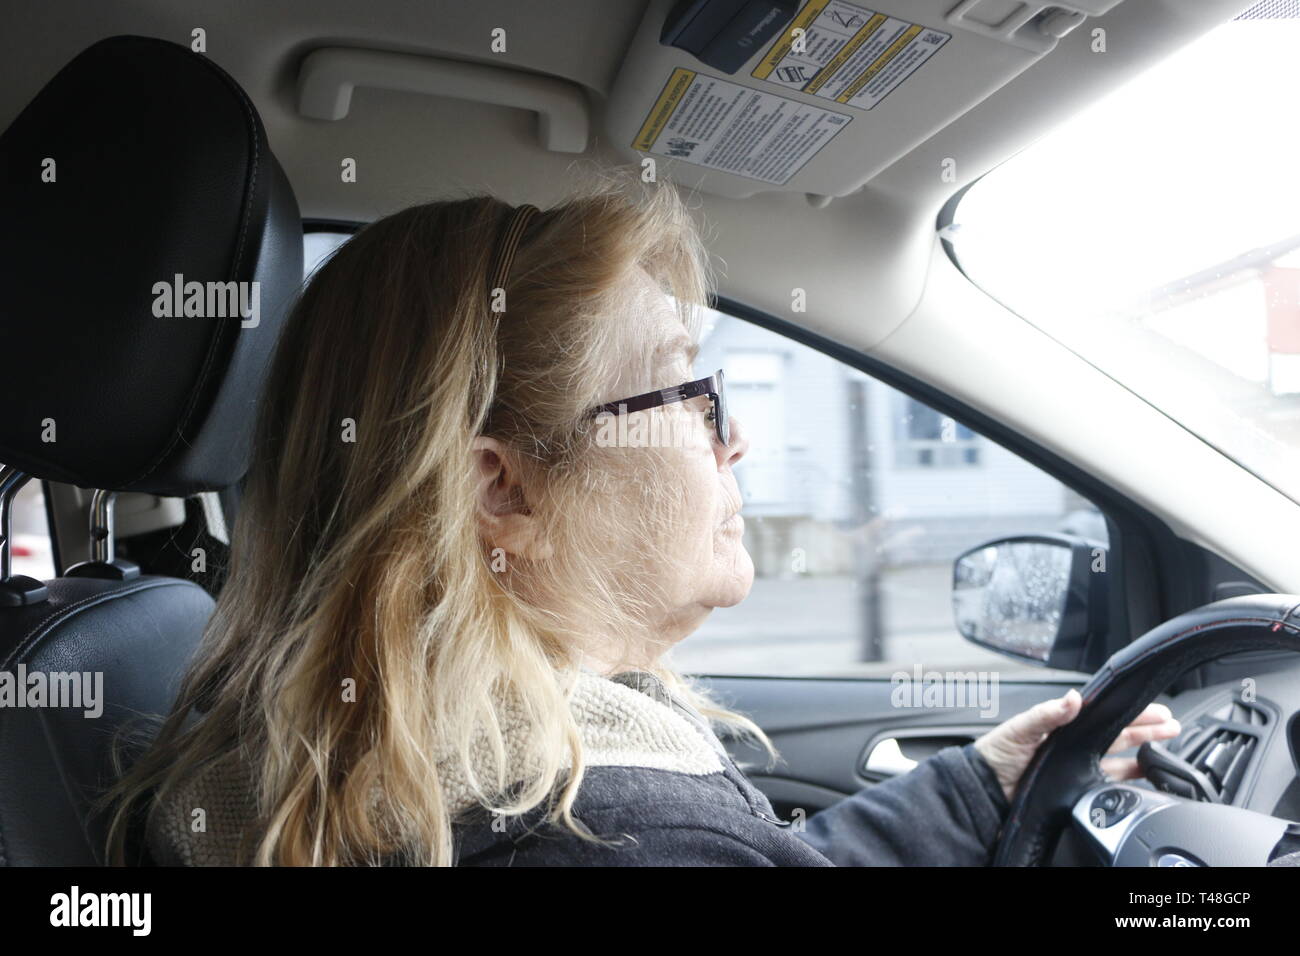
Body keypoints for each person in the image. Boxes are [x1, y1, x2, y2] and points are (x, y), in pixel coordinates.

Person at [106, 173, 1178, 866]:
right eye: (684, 391)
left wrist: (977, 785)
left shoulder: (311, 773)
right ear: (502, 491)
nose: (735, 439)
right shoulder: (604, 832)